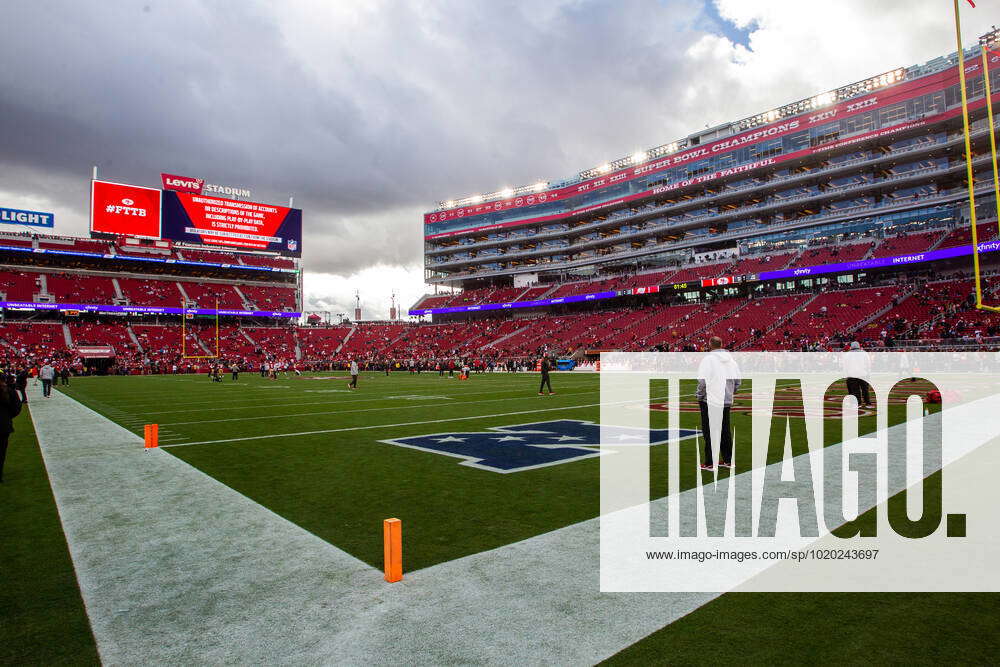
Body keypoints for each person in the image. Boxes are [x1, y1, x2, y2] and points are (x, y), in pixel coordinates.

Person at [696, 336, 741, 470]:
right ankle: (728, 460)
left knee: (709, 431)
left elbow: (703, 381)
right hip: (726, 400)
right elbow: (738, 381)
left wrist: (699, 395)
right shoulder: (731, 361)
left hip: (710, 400)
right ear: (721, 344)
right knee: (725, 431)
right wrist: (730, 392)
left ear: (710, 345)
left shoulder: (708, 360)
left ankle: (710, 462)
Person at [0, 379, 23, 483]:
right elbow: (17, 407)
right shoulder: (8, 391)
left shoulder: (8, 391)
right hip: (3, 425)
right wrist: (7, 416)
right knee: (1, 452)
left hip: (3, 424)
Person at [843, 341, 872, 407]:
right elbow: (868, 364)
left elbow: (845, 365)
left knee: (855, 390)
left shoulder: (847, 354)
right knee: (865, 390)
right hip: (863, 374)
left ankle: (858, 403)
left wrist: (846, 374)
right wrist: (868, 373)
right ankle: (867, 403)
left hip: (852, 374)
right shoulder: (864, 353)